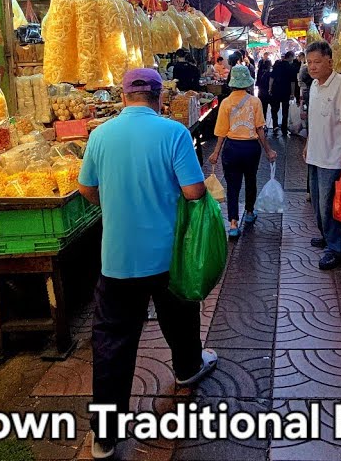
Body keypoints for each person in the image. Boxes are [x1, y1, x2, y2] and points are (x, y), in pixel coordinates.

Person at [78, 68, 218, 459]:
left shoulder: (100, 135)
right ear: (158, 97)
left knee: (112, 343)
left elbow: (86, 188)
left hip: (118, 259)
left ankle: (105, 436)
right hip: (167, 256)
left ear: (124, 98)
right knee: (181, 316)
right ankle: (188, 369)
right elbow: (193, 191)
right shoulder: (173, 132)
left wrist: (113, 202)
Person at [302, 41, 341, 270]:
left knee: (328, 205)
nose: (312, 67)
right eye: (309, 62)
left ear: (329, 61)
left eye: (317, 62)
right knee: (317, 202)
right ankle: (327, 236)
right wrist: (307, 143)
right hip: (315, 154)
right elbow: (315, 120)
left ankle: (337, 248)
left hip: (333, 156)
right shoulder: (315, 85)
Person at [210, 66, 278, 237]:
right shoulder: (255, 102)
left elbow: (221, 132)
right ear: (247, 83)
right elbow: (260, 130)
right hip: (250, 148)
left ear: (232, 83)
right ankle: (249, 212)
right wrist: (268, 150)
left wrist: (216, 153)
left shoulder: (225, 102)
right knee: (250, 179)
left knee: (232, 186)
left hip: (231, 148)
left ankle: (233, 223)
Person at [268, 51, 298, 134]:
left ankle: (275, 126)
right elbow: (293, 82)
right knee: (285, 111)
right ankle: (284, 128)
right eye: (293, 57)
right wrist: (292, 93)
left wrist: (270, 89)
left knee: (274, 109)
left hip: (276, 90)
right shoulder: (291, 67)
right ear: (290, 57)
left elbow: (271, 78)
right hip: (286, 91)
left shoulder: (277, 65)